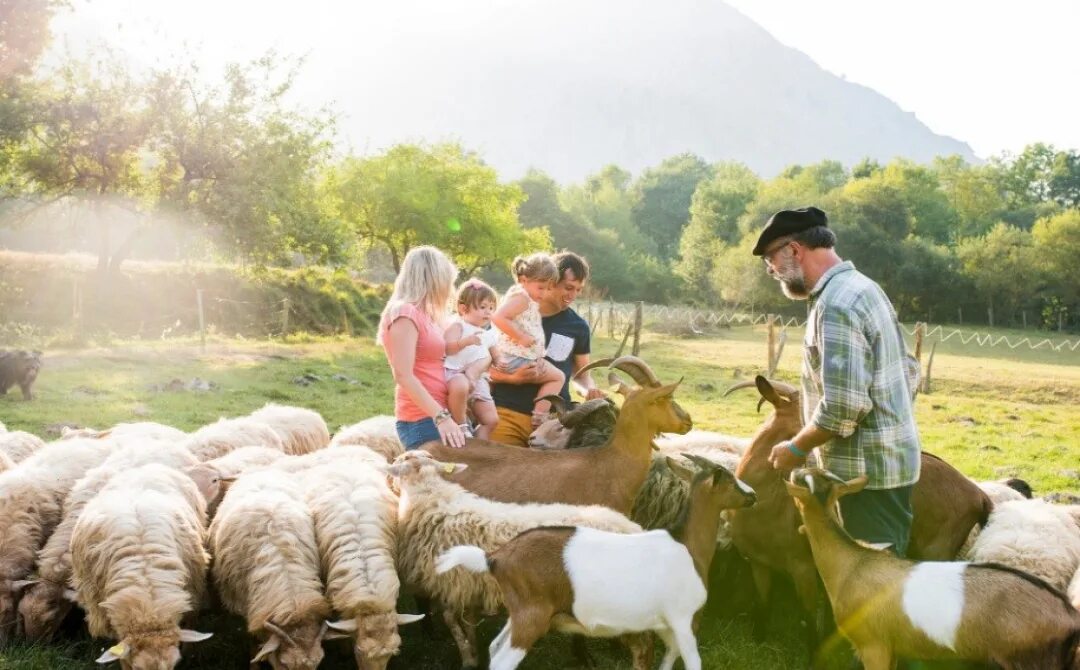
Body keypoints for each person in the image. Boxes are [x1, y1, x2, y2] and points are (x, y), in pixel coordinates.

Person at [756, 206, 922, 557]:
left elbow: (844, 406)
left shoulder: (836, 304)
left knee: (871, 591)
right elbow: (908, 370)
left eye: (771, 259)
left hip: (864, 480)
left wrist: (796, 448)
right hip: (884, 466)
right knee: (882, 585)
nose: (771, 270)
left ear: (795, 250)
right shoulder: (863, 288)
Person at [489, 251, 604, 447]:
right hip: (507, 414)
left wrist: (589, 390)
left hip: (554, 423)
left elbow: (582, 374)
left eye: (578, 290)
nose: (572, 296)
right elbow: (480, 367)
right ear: (551, 281)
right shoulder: (512, 313)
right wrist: (512, 378)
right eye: (568, 287)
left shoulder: (578, 327)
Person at [377, 246, 466, 451]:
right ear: (434, 278)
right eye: (447, 280)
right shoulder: (404, 313)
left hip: (440, 414)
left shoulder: (427, 316)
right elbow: (403, 375)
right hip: (424, 419)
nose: (450, 288)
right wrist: (441, 417)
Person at [490, 253, 566, 427]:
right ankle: (539, 417)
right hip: (518, 358)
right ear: (524, 280)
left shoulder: (522, 296)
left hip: (515, 356)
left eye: (548, 288)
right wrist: (521, 337)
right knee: (558, 377)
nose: (545, 293)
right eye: (541, 287)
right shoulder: (522, 298)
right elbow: (498, 317)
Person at [443, 278, 501, 440]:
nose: (488, 312)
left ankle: (479, 445)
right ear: (463, 309)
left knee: (492, 420)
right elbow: (446, 348)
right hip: (455, 373)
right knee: (460, 385)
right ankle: (461, 425)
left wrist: (500, 360)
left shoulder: (489, 332)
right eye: (482, 307)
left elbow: (495, 352)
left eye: (491, 308)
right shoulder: (458, 326)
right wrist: (464, 342)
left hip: (479, 380)